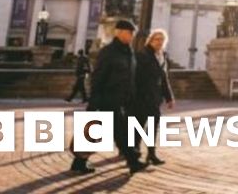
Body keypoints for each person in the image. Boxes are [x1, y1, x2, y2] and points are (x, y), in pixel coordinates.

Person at [69, 19, 147, 175]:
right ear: (119, 32)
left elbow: (130, 77)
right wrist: (93, 101)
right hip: (108, 99)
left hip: (122, 100)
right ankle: (133, 161)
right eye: (129, 32)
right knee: (120, 132)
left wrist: (132, 96)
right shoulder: (109, 52)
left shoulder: (129, 52)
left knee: (106, 132)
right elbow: (98, 77)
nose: (132, 36)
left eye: (133, 33)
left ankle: (79, 162)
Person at [133, 28, 174, 166]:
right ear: (150, 40)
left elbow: (164, 78)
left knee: (152, 127)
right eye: (157, 39)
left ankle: (151, 154)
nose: (159, 42)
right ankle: (134, 155)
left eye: (162, 39)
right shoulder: (143, 55)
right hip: (141, 97)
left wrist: (169, 97)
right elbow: (136, 77)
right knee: (138, 127)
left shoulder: (163, 56)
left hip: (155, 98)